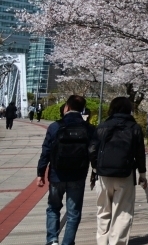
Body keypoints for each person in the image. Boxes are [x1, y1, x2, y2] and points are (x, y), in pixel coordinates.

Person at [37, 94, 96, 245]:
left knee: (53, 208)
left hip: (57, 175)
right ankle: (67, 243)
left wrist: (40, 173)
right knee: (73, 213)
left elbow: (46, 151)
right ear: (83, 109)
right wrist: (95, 172)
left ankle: (52, 240)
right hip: (78, 175)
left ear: (66, 107)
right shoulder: (89, 129)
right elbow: (94, 151)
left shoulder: (55, 126)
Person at [90, 96, 148, 245]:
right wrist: (142, 174)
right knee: (122, 212)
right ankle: (117, 243)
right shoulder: (134, 128)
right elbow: (140, 153)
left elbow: (92, 149)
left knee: (103, 210)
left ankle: (102, 242)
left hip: (103, 175)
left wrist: (95, 168)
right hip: (125, 174)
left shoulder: (102, 126)